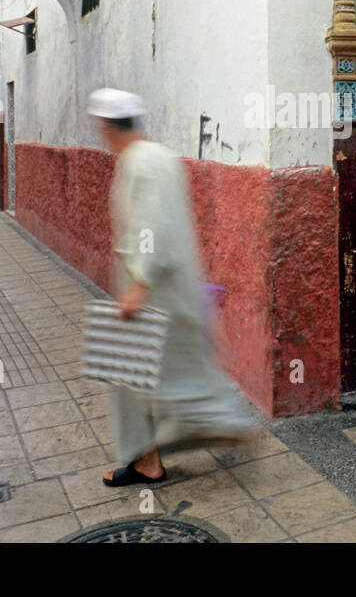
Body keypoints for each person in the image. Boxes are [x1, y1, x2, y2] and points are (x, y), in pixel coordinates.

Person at [86, 87, 255, 487]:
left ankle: (214, 426)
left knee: (140, 374)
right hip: (168, 286)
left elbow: (152, 226)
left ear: (108, 126)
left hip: (153, 288)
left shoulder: (141, 161)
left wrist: (138, 285)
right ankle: (167, 448)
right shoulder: (156, 156)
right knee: (161, 372)